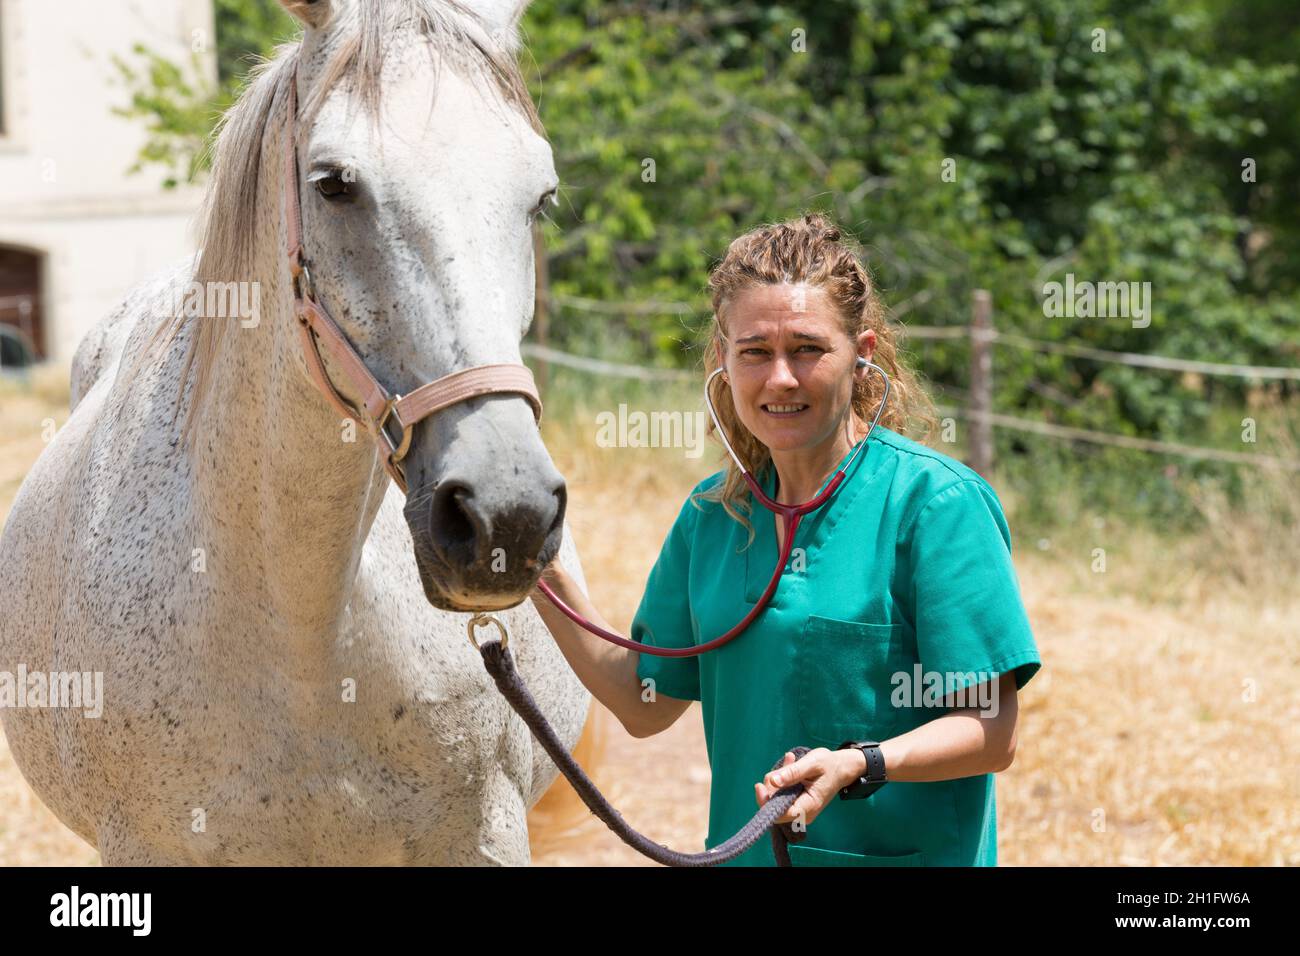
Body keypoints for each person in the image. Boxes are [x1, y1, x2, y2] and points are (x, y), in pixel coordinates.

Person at [530, 213, 1041, 866]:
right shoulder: (712, 519)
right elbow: (644, 703)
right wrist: (542, 575)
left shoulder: (936, 505)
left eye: (807, 349)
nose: (780, 378)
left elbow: (992, 731)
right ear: (723, 361)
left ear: (861, 354)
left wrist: (861, 764)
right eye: (755, 353)